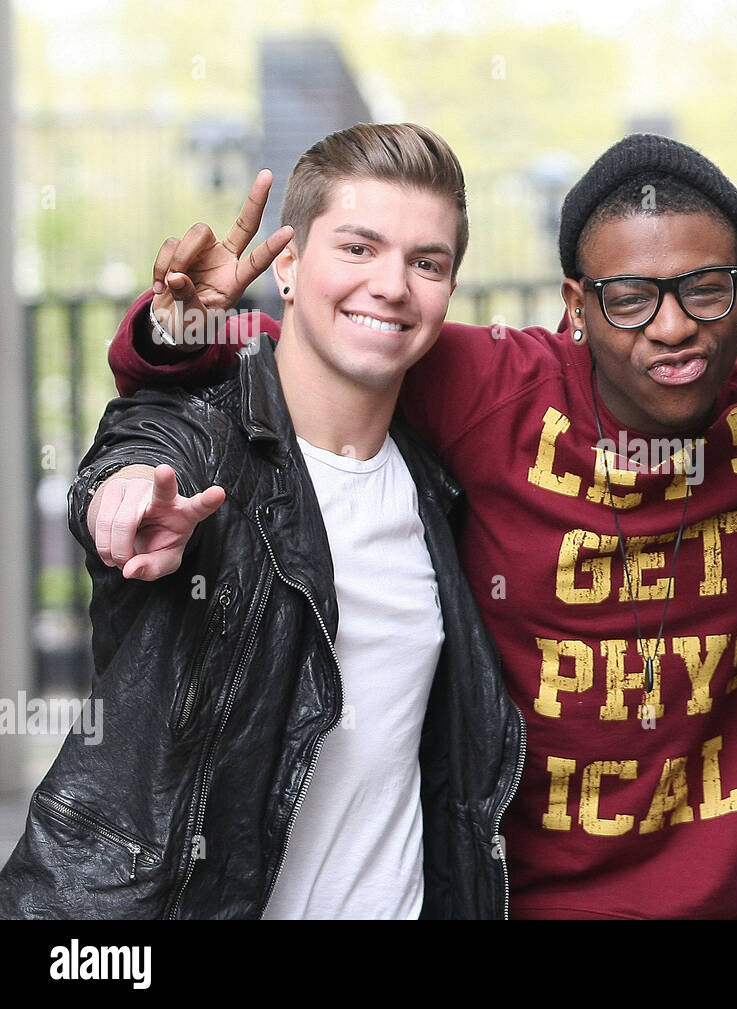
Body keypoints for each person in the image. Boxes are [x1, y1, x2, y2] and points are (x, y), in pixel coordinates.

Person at [99, 125, 737, 916]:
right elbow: (316, 347)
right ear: (574, 306)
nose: (671, 326)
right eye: (629, 296)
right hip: (499, 895)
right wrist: (177, 326)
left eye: (703, 291)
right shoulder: (485, 383)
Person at [0, 123, 524, 919]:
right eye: (357, 248)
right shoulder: (204, 450)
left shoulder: (437, 491)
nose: (391, 285)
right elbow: (132, 456)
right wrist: (125, 502)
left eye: (427, 262)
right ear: (286, 265)